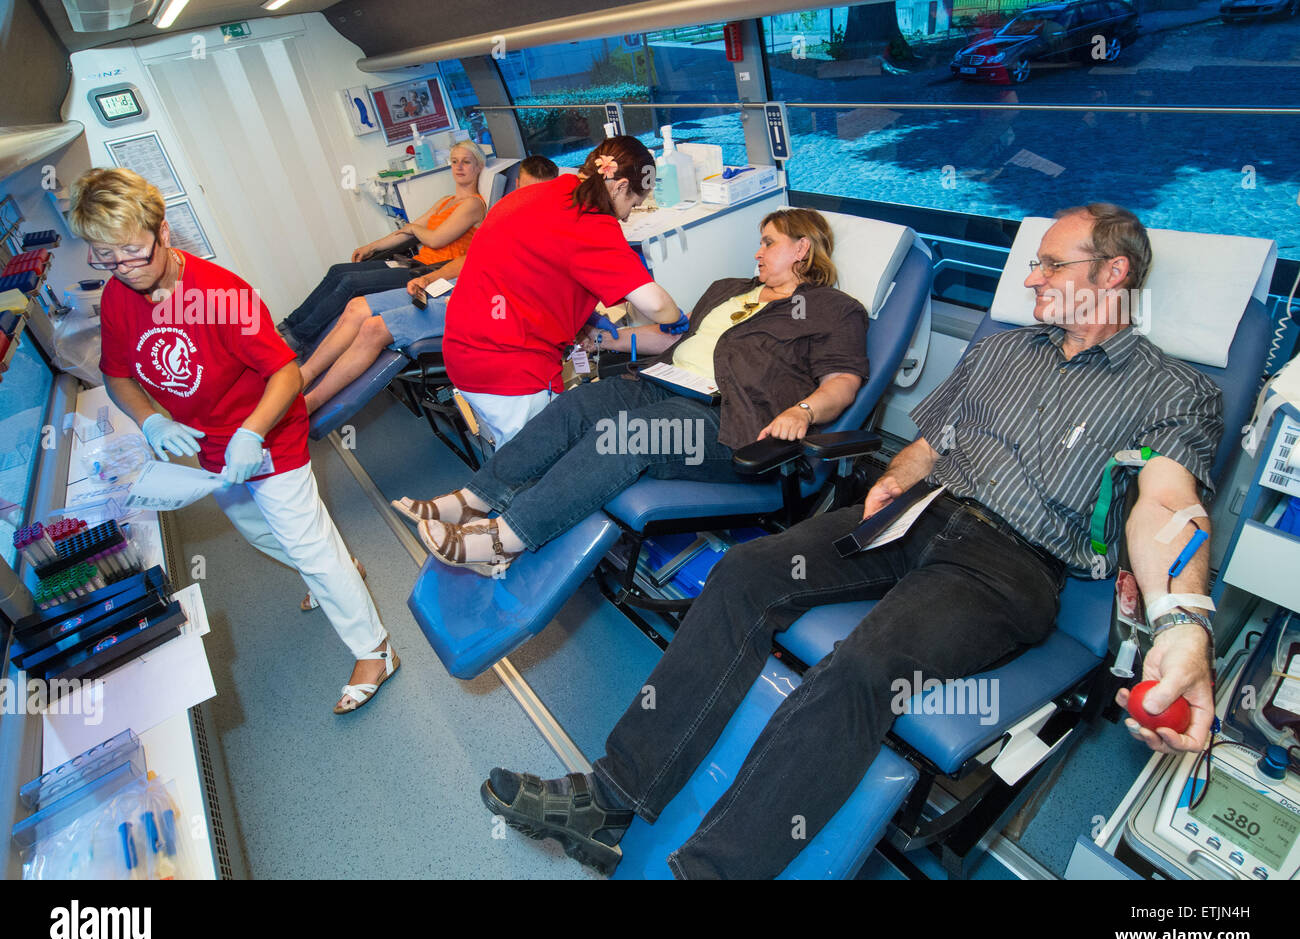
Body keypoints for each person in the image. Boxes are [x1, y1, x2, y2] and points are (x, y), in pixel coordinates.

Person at [479, 203, 1224, 878]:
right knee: (744, 574)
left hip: (1007, 564)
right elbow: (930, 443)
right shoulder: (1004, 350)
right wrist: (895, 477)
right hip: (913, 513)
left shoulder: (1174, 391)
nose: (1030, 278)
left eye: (1050, 264)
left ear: (1114, 271)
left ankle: (711, 872)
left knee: (866, 664)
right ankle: (611, 797)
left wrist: (1182, 623)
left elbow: (1167, 500)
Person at [69, 168, 400, 715]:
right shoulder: (117, 297)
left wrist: (252, 431)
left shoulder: (221, 293)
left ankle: (375, 650)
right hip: (211, 445)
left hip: (268, 432)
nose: (122, 270)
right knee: (257, 532)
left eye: (132, 252)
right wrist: (150, 419)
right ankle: (336, 569)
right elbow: (118, 374)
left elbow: (287, 374)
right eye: (106, 257)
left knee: (307, 541)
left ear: (164, 233)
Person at [396, 209, 868, 577]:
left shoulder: (833, 309)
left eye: (768, 243)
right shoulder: (730, 289)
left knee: (630, 435)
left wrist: (803, 411)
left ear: (802, 248)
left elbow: (843, 380)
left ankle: (502, 541)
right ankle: (475, 498)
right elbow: (673, 341)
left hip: (728, 422)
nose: (757, 253)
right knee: (579, 404)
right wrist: (603, 339)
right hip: (663, 384)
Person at [436, 135, 685, 448]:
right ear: (620, 186)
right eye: (633, 205)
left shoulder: (545, 191)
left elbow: (530, 267)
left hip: (464, 350)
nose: (625, 216)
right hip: (510, 368)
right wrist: (677, 319)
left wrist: (582, 316)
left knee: (510, 455)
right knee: (533, 465)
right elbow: (657, 306)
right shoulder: (591, 220)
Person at [296, 155, 560, 414]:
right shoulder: (504, 218)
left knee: (374, 328)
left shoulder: (553, 234)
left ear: (554, 189)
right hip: (454, 283)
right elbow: (471, 258)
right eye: (527, 190)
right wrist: (429, 278)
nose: (532, 199)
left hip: (481, 304)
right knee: (356, 307)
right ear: (517, 186)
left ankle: (311, 403)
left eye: (540, 192)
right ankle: (301, 378)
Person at [279, 140, 487, 351]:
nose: (459, 167)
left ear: (478, 166)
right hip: (415, 263)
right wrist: (372, 247)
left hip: (431, 272)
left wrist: (414, 229)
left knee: (351, 283)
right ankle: (288, 326)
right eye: (454, 161)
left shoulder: (473, 204)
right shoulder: (445, 200)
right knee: (338, 270)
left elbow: (434, 239)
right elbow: (408, 231)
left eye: (466, 162)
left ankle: (296, 340)